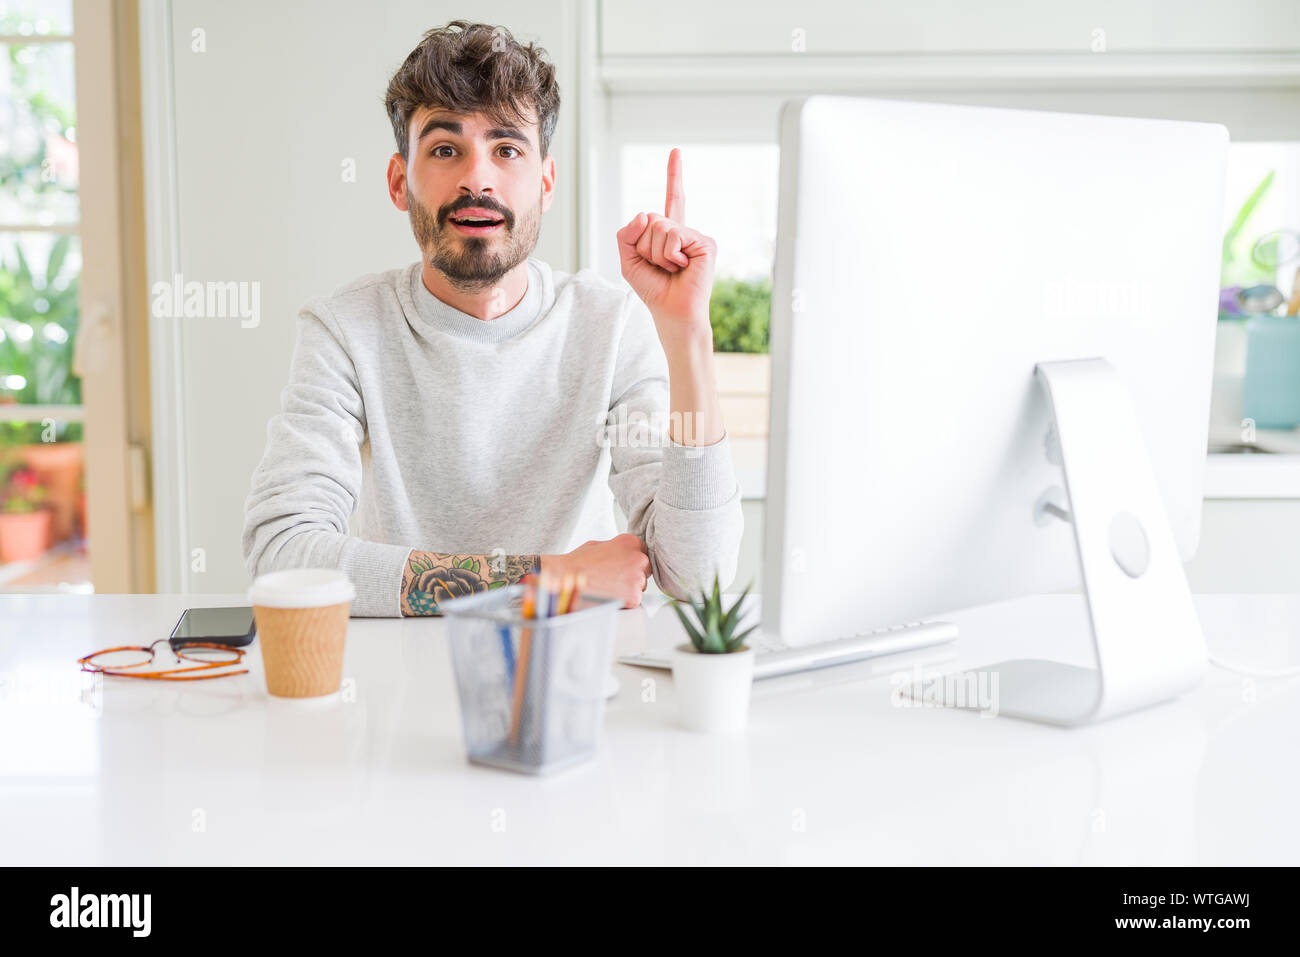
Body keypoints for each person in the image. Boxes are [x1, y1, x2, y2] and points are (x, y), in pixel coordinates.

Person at [241, 20, 743, 617]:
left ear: (545, 182)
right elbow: (282, 551)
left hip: (573, 677)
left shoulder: (609, 325)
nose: (477, 177)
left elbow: (698, 574)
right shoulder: (346, 330)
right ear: (401, 183)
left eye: (506, 150)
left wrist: (687, 335)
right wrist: (548, 581)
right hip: (402, 684)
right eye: (445, 149)